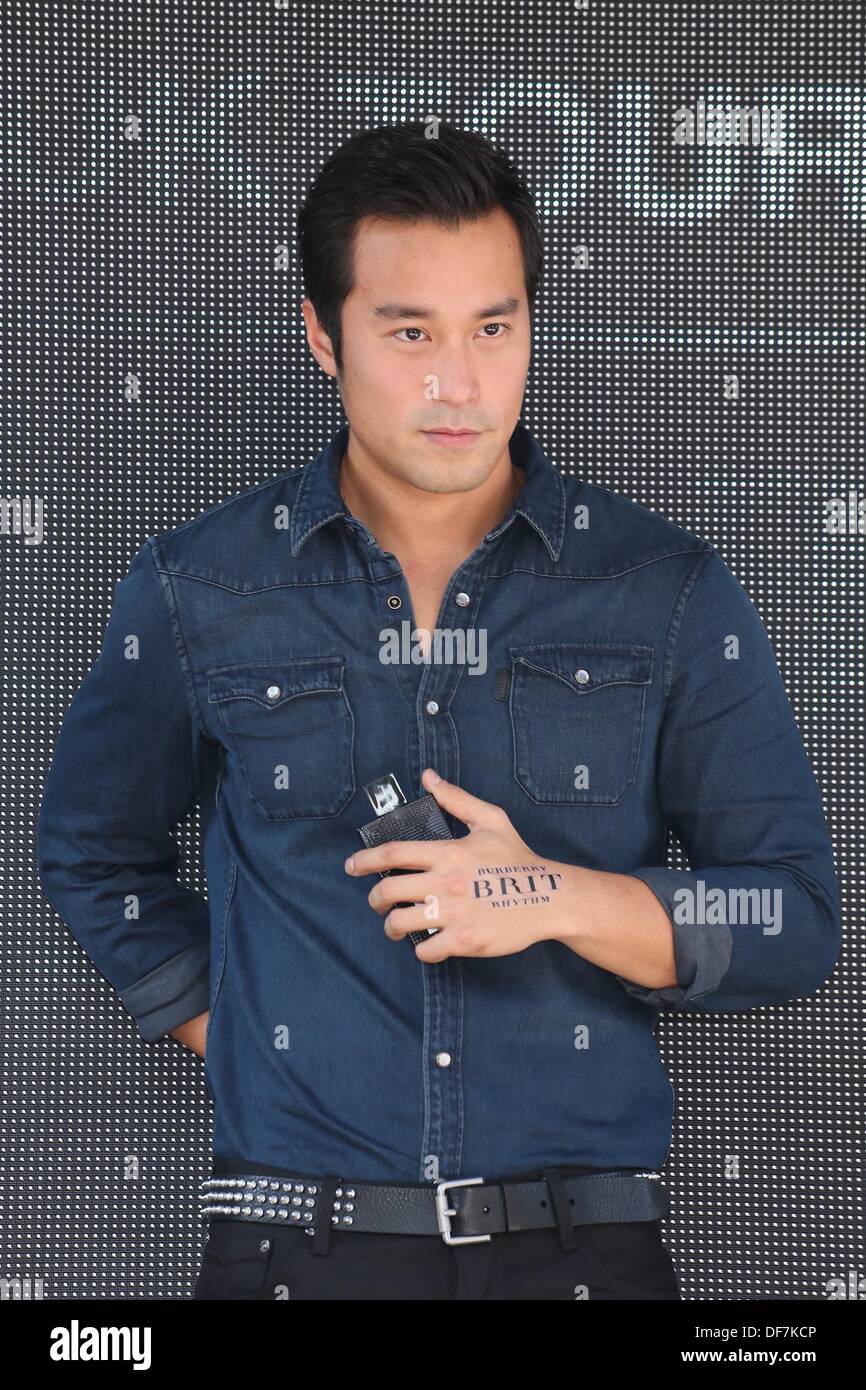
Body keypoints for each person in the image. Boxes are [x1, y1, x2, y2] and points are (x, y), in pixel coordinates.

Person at [36, 121, 841, 1302]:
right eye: (408, 331)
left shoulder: (664, 591)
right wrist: (251, 1037)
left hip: (585, 1256)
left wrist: (551, 894)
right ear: (323, 334)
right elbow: (93, 847)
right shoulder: (197, 587)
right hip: (292, 1254)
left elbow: (786, 913)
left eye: (492, 328)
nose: (457, 382)